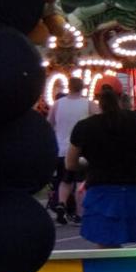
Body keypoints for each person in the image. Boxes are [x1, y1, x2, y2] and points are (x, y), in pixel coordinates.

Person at [66, 86, 136, 248]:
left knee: (105, 241)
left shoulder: (84, 126)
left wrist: (88, 163)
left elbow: (71, 163)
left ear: (98, 102)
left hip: (101, 186)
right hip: (133, 184)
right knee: (122, 240)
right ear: (121, 98)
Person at [48, 84, 97, 224]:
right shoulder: (87, 104)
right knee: (80, 181)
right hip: (80, 149)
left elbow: (49, 123)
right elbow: (101, 117)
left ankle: (61, 204)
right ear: (81, 88)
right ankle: (79, 213)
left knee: (65, 180)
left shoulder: (57, 104)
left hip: (61, 148)